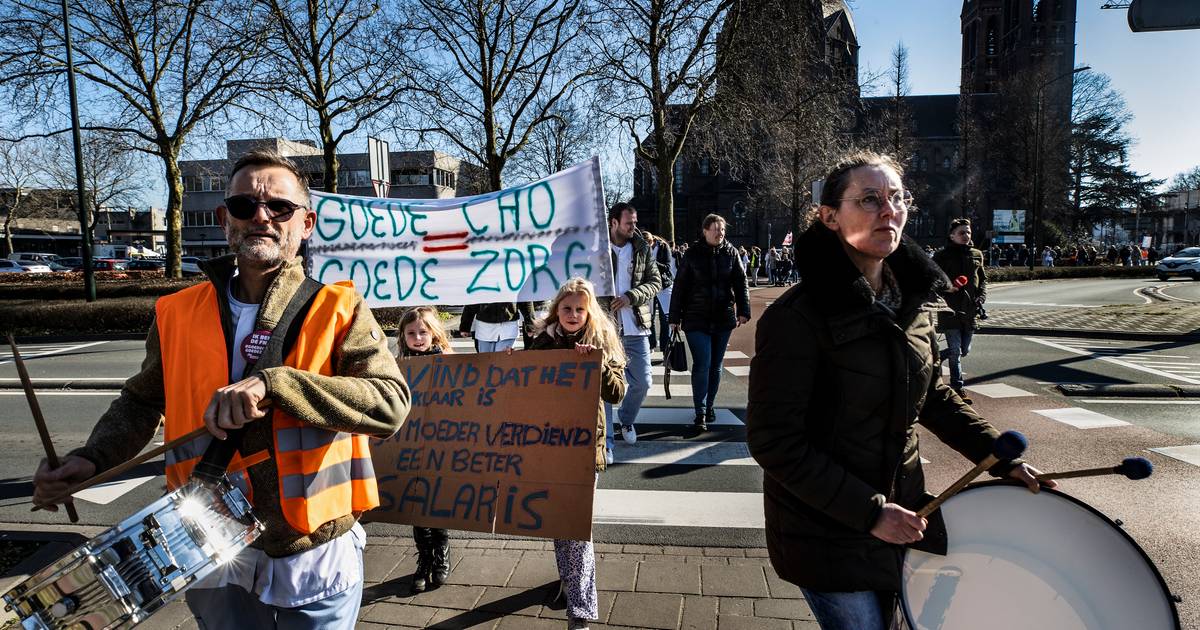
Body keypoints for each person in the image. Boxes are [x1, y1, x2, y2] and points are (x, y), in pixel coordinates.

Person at [32, 149, 411, 629]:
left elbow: (390, 403)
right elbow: (141, 400)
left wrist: (276, 384)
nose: (261, 217)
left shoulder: (339, 308)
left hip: (312, 550)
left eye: (280, 207)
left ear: (307, 223)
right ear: (223, 218)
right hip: (209, 544)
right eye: (243, 206)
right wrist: (91, 459)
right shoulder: (176, 312)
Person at [745, 151, 1054, 630]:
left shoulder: (915, 303)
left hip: (905, 513)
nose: (888, 211)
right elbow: (773, 441)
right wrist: (869, 513)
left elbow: (932, 395)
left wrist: (999, 457)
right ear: (829, 216)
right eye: (869, 200)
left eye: (896, 198)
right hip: (825, 528)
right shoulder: (796, 317)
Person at [526, 278, 627, 630]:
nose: (572, 315)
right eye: (567, 308)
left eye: (579, 309)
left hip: (585, 449)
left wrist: (596, 367)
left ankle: (581, 611)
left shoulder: (600, 342)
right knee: (560, 525)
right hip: (549, 448)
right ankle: (569, 583)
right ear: (557, 310)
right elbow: (524, 385)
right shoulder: (542, 343)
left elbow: (618, 394)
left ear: (589, 312)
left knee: (578, 530)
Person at [669, 214, 750, 430]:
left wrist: (743, 310)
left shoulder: (731, 253)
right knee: (703, 363)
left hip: (723, 318)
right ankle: (700, 411)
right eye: (715, 229)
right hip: (696, 318)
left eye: (722, 229)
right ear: (704, 231)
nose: (719, 233)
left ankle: (710, 405)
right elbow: (680, 287)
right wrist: (674, 317)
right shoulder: (692, 254)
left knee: (716, 366)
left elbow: (741, 282)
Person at [395, 306, 455, 593]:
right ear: (403, 336)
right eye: (411, 333)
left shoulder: (446, 361)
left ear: (435, 334)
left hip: (440, 445)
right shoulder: (397, 365)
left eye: (423, 332)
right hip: (411, 446)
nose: (418, 337)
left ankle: (441, 555)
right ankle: (425, 560)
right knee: (418, 506)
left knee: (437, 503)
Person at [601, 203, 661, 456]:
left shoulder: (641, 247)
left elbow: (655, 281)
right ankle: (607, 445)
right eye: (629, 223)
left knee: (643, 382)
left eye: (635, 222)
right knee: (606, 387)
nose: (634, 227)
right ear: (614, 222)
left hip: (636, 326)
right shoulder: (597, 248)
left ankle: (626, 419)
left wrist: (630, 296)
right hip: (606, 328)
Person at [933, 218, 987, 403]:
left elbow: (982, 279)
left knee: (965, 350)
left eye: (968, 232)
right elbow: (933, 280)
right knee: (956, 351)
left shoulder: (977, 254)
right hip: (950, 310)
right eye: (962, 233)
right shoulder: (942, 256)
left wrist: (981, 296)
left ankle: (936, 357)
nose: (966, 236)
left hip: (971, 310)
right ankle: (958, 387)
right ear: (952, 235)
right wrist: (946, 289)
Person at [644, 230, 676, 354]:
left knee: (665, 319)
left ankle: (665, 348)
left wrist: (652, 262)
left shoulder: (664, 247)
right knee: (649, 318)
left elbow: (667, 267)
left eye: (650, 243)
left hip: (664, 286)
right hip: (649, 286)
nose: (649, 246)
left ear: (653, 240)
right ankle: (651, 344)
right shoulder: (642, 248)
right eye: (646, 244)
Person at [458, 301, 534, 353]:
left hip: (508, 327)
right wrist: (465, 326)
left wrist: (530, 325)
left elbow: (525, 300)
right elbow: (471, 302)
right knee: (485, 361)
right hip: (485, 327)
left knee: (503, 359)